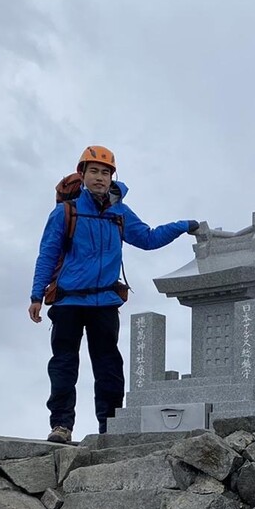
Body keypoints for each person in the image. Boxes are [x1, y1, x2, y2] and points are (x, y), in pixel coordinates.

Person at [30, 146, 200, 443]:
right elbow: (48, 254)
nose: (100, 177)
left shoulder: (119, 213)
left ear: (112, 178)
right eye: (94, 171)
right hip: (69, 301)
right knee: (64, 364)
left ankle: (109, 428)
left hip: (105, 302)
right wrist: (36, 295)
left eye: (105, 173)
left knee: (109, 368)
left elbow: (147, 238)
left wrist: (182, 226)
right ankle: (61, 426)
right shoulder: (66, 212)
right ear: (82, 175)